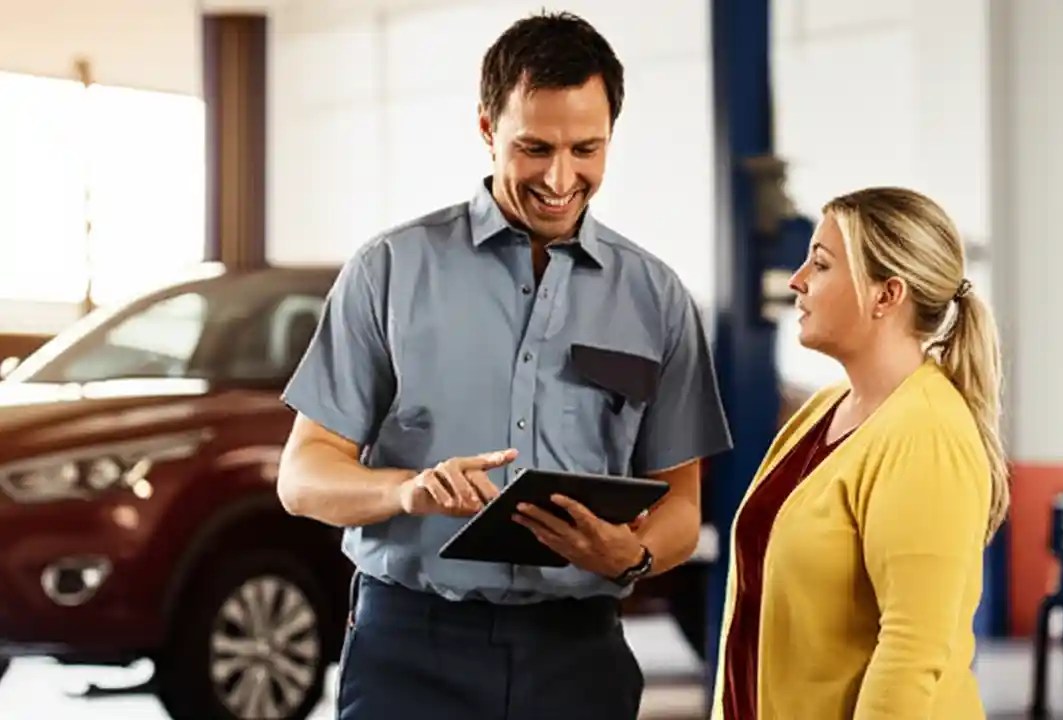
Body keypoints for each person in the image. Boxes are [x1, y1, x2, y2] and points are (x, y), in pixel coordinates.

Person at [275, 11, 732, 720]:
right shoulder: (390, 271)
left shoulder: (657, 299)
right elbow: (303, 477)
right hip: (410, 647)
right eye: (534, 147)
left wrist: (631, 556)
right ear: (488, 129)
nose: (560, 177)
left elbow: (681, 506)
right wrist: (407, 492)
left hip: (579, 655)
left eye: (586, 149)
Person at [710, 187, 1009, 719]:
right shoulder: (822, 410)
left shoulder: (927, 435)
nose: (797, 279)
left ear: (886, 295)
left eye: (821, 264)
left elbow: (911, 653)